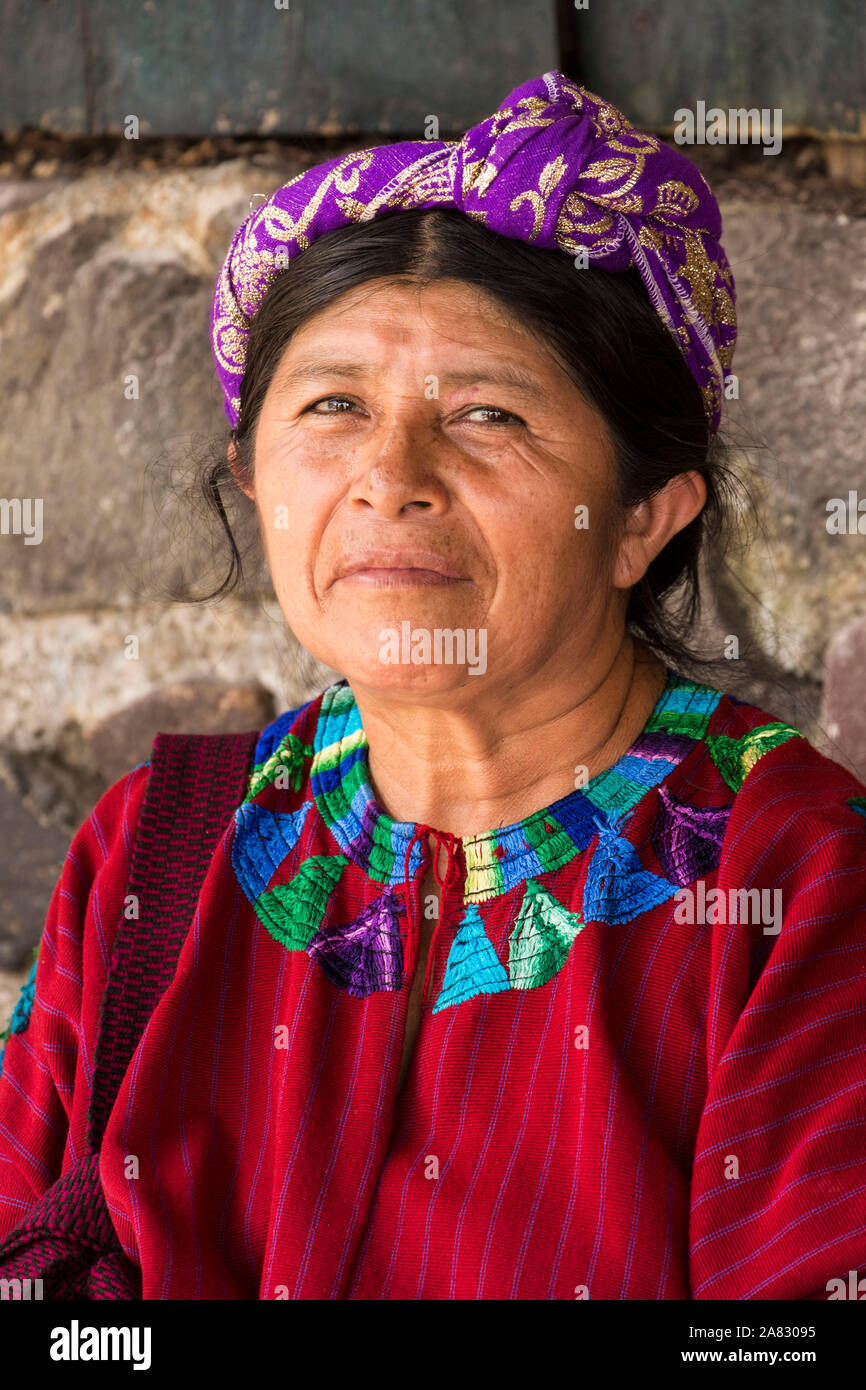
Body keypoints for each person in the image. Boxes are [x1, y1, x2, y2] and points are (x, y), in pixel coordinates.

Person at [1, 71, 864, 1301]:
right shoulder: (154, 853)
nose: (387, 477)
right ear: (256, 484)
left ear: (638, 518)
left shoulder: (790, 879)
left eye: (485, 414)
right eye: (333, 406)